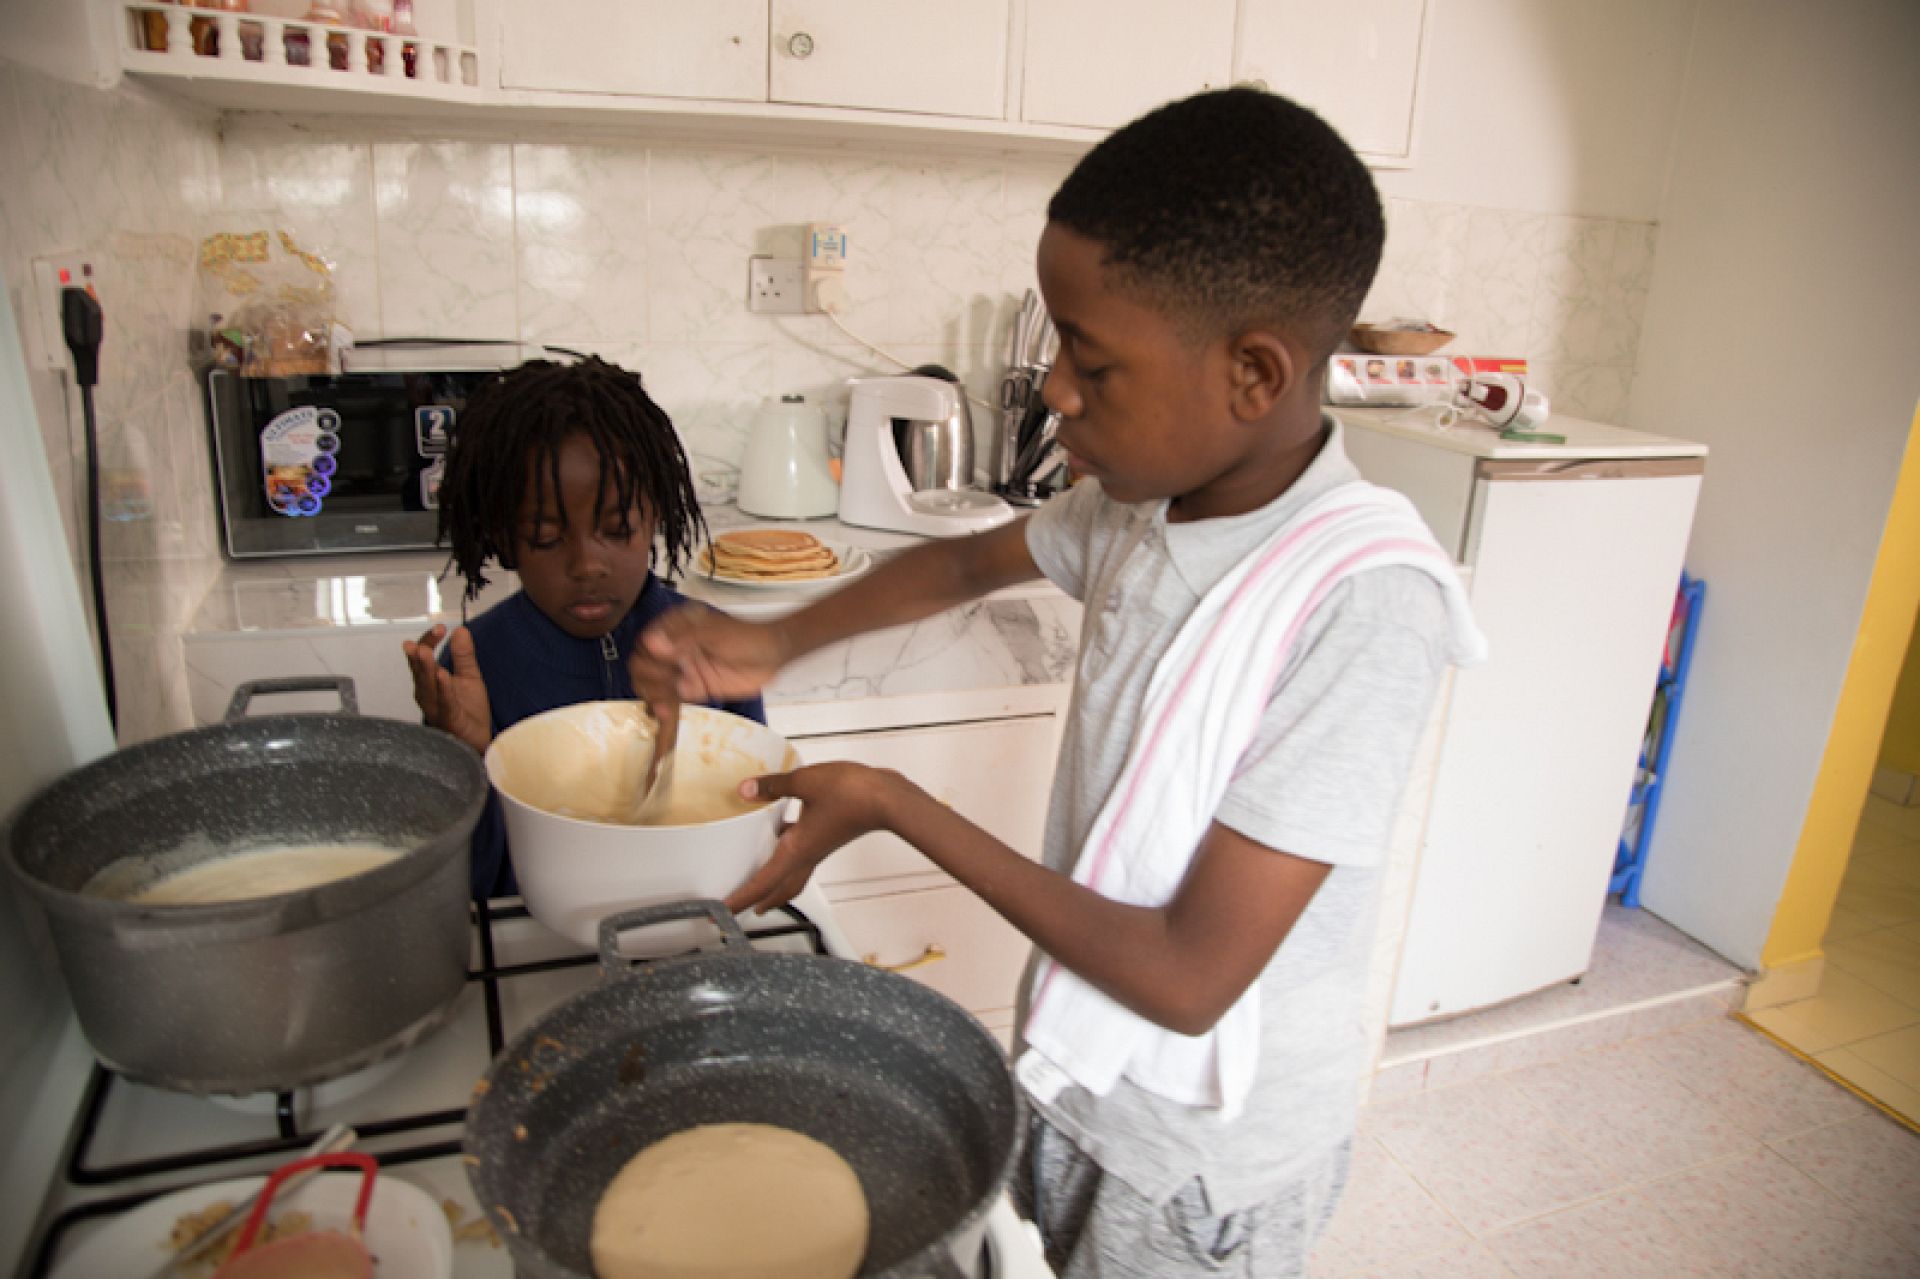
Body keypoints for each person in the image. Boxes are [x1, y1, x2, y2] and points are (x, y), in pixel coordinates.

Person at [632, 88, 1483, 1278]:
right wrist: (774, 643)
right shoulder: (1147, 505)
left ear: (1253, 372)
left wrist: (891, 799)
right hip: (1079, 1071)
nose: (1054, 395)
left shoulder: (1365, 603)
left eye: (1092, 361)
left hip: (1198, 1161)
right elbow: (969, 558)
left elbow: (1189, 978)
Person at [401, 356, 765, 902]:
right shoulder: (476, 668)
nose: (587, 564)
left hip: (691, 931)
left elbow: (751, 834)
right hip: (538, 947)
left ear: (658, 516)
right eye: (546, 536)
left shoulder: (715, 649)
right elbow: (469, 888)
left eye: (617, 530)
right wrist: (464, 761)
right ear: (502, 535)